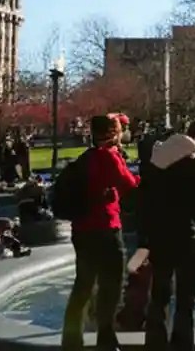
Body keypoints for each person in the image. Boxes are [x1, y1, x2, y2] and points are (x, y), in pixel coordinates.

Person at [140, 119, 195, 351]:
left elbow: (144, 203)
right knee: (187, 302)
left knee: (160, 297)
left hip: (160, 236)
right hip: (189, 236)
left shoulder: (156, 160)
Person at [62, 114, 140, 351]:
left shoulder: (86, 158)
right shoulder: (109, 157)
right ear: (113, 132)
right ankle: (106, 339)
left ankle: (71, 341)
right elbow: (130, 185)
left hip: (82, 229)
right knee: (111, 285)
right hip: (105, 227)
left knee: (83, 284)